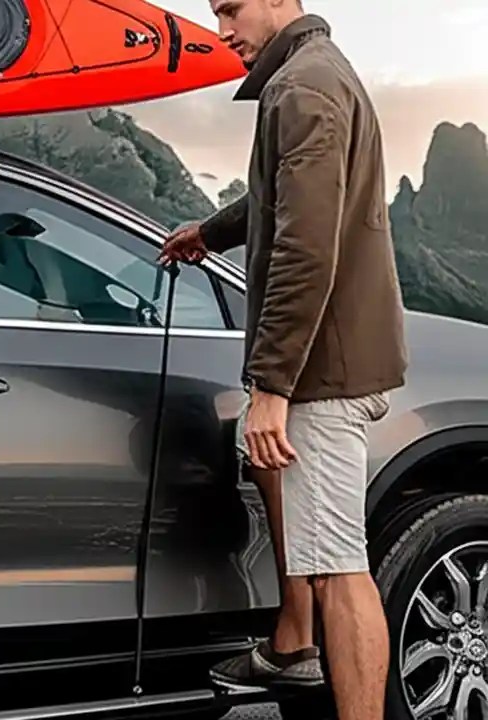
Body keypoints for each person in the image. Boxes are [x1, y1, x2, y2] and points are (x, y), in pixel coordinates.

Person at [158, 2, 408, 719]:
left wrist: (271, 386)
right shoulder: (310, 76)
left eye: (230, 9)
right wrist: (209, 231)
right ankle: (293, 640)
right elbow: (283, 197)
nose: (222, 27)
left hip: (323, 372)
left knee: (339, 568)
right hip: (328, 358)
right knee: (262, 456)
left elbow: (306, 245)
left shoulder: (302, 87)